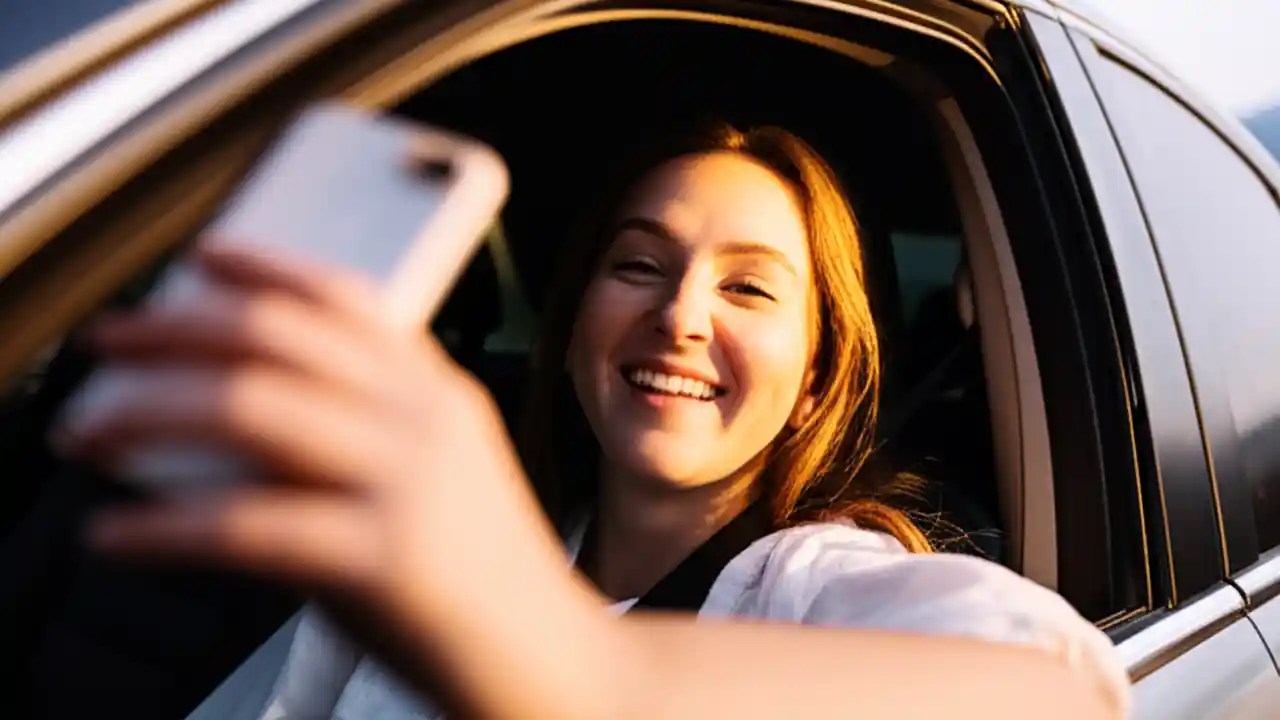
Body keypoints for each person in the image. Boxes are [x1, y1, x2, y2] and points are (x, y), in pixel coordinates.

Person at [58, 122, 1130, 718]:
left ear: (813, 380)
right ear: (572, 328)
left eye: (748, 290)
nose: (677, 314)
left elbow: (1056, 695)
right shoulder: (428, 553)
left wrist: (568, 661)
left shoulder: (811, 588)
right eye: (638, 266)